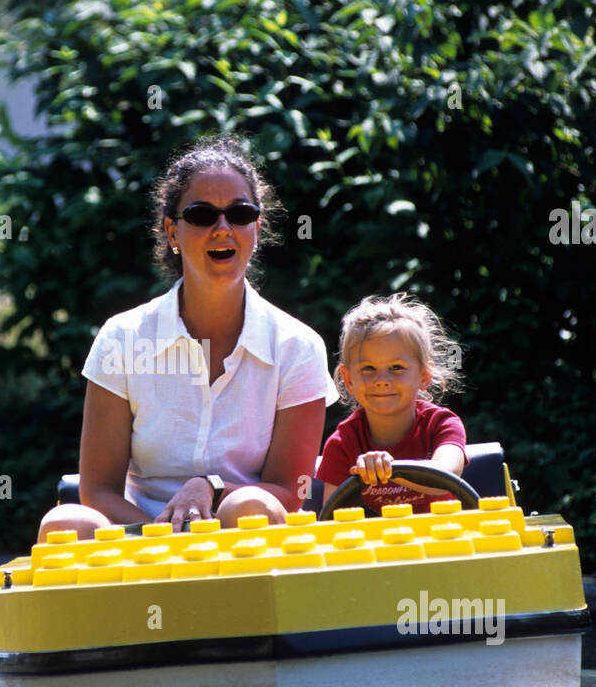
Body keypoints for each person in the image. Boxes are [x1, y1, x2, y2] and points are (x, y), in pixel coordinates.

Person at [37, 135, 339, 542]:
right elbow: (99, 492)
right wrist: (164, 537)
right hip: (141, 537)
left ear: (256, 227)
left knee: (247, 506)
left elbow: (290, 493)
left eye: (239, 213)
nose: (222, 228)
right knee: (63, 523)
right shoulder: (121, 339)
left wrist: (210, 488)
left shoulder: (299, 347)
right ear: (172, 232)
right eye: (200, 215)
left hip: (244, 536)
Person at [316, 293, 467, 515]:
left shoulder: (443, 424)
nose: (382, 381)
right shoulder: (342, 444)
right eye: (368, 368)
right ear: (348, 379)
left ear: (424, 375)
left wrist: (390, 469)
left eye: (396, 368)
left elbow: (445, 477)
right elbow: (333, 517)